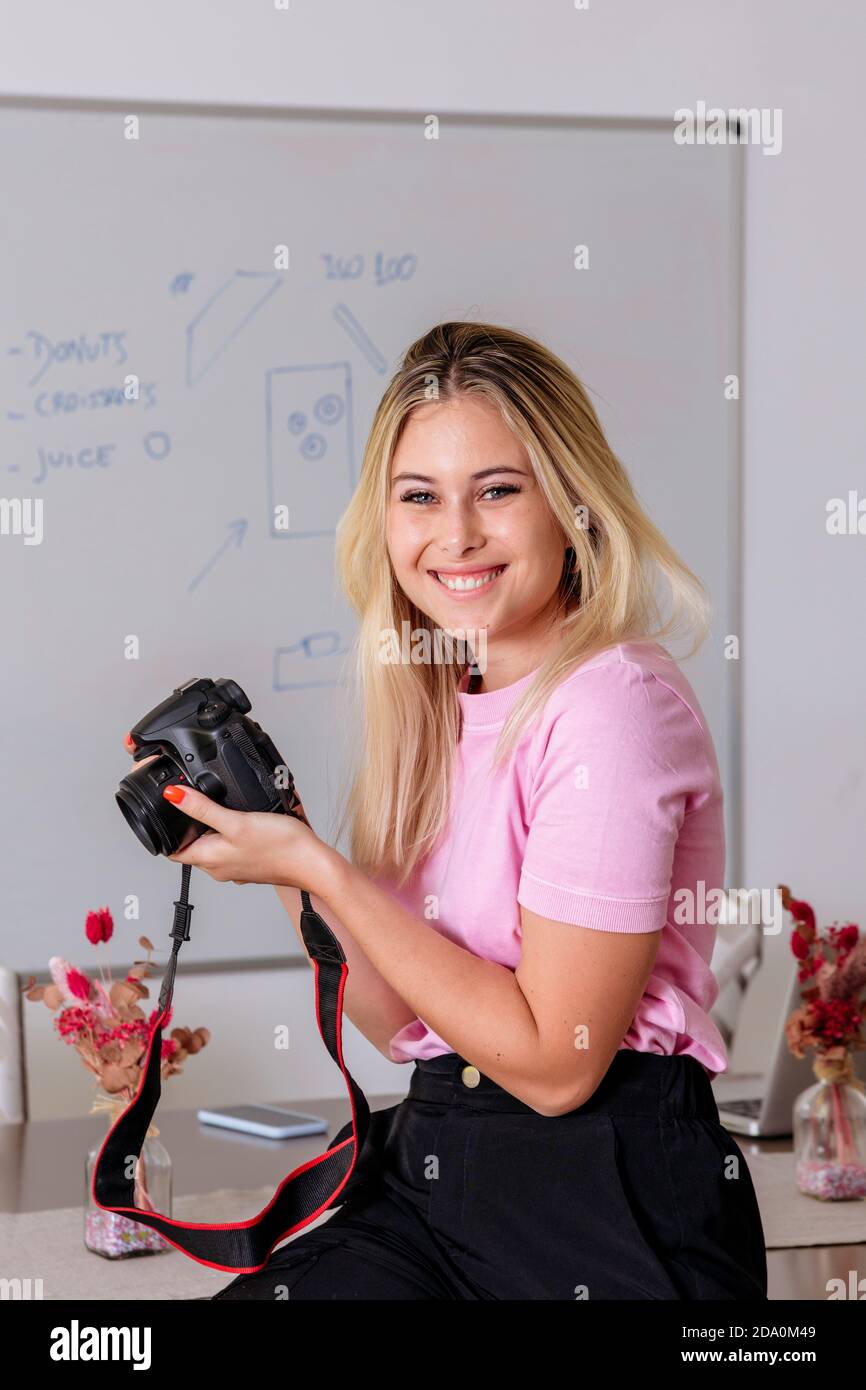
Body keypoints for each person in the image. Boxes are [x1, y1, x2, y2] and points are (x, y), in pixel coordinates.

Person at [130, 321, 768, 1300]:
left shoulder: (610, 704)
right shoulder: (434, 700)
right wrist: (277, 852)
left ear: (572, 506)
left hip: (606, 1200)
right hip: (435, 1177)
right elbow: (396, 1023)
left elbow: (558, 1066)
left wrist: (321, 868)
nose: (456, 534)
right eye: (419, 496)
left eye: (498, 491)